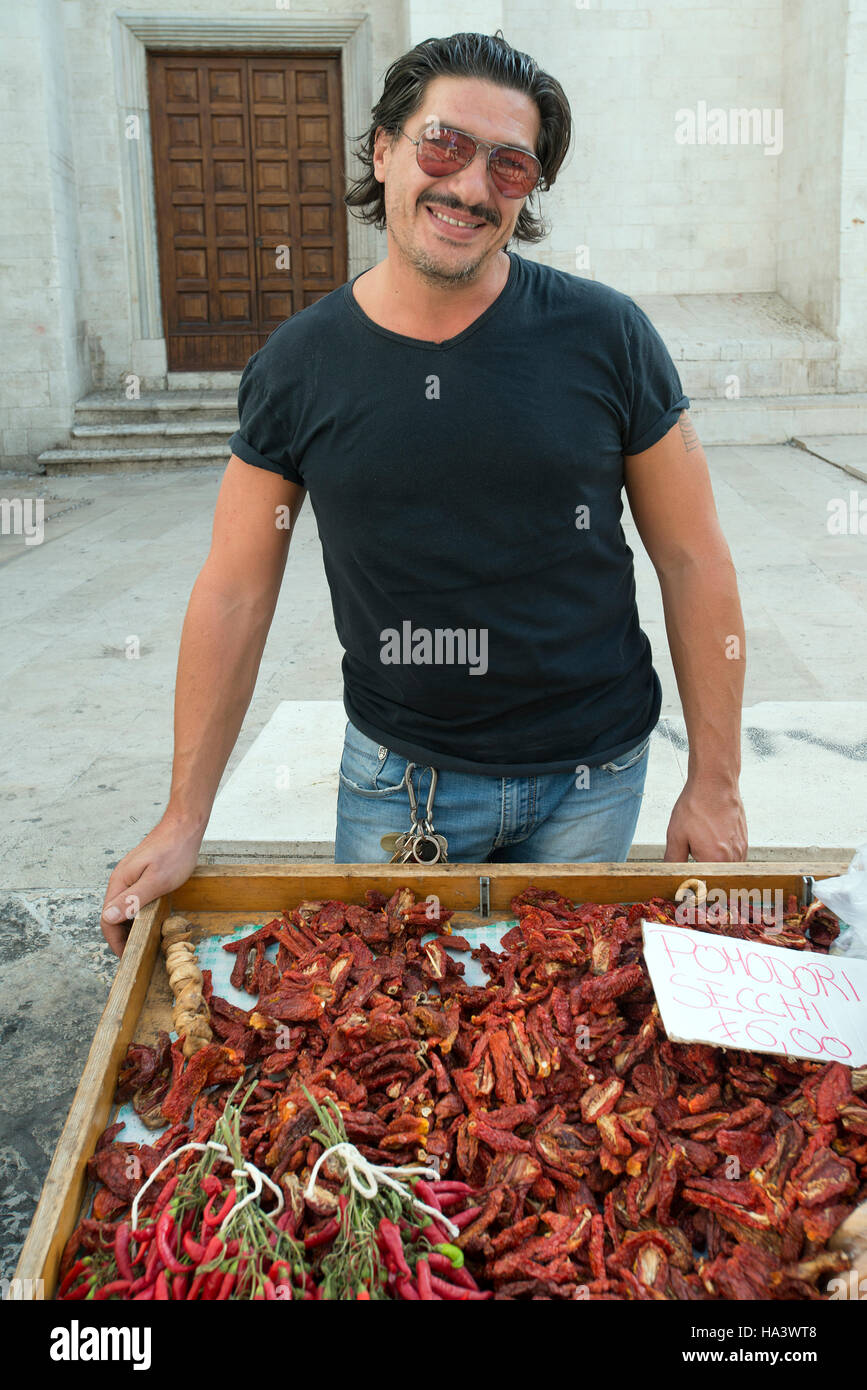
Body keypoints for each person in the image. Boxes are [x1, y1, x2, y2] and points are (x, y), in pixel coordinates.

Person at [100, 31, 747, 954]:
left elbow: (692, 557)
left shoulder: (607, 335)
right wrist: (183, 818)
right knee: (392, 1048)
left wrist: (715, 781)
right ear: (383, 149)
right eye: (442, 145)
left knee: (557, 1060)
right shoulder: (297, 366)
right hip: (400, 788)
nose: (471, 188)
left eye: (510, 166)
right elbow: (236, 589)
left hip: (594, 780)